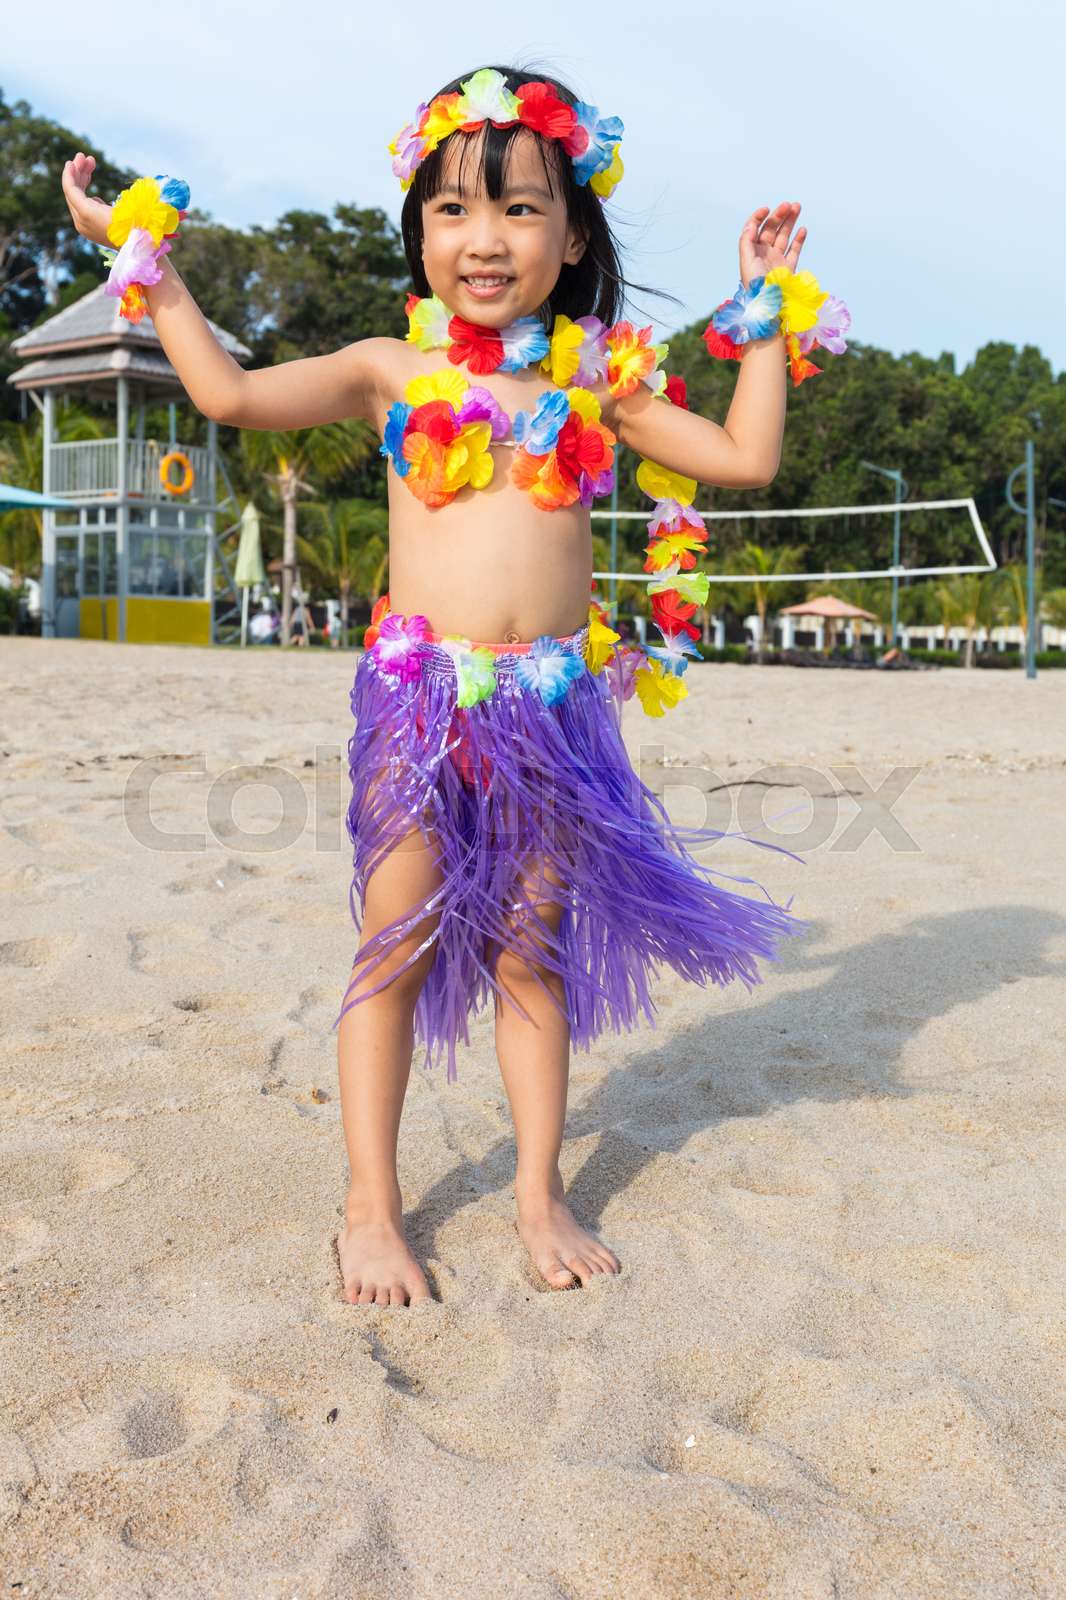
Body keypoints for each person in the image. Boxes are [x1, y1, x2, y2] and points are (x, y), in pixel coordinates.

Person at [61, 65, 847, 1309]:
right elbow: (228, 394)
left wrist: (758, 311)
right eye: (453, 210)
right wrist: (146, 255)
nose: (485, 238)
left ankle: (537, 1191)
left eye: (521, 208)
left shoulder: (597, 378)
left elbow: (744, 458)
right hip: (420, 709)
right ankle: (370, 1208)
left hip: (554, 716)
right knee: (396, 946)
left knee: (532, 952)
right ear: (418, 231)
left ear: (572, 235)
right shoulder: (390, 368)